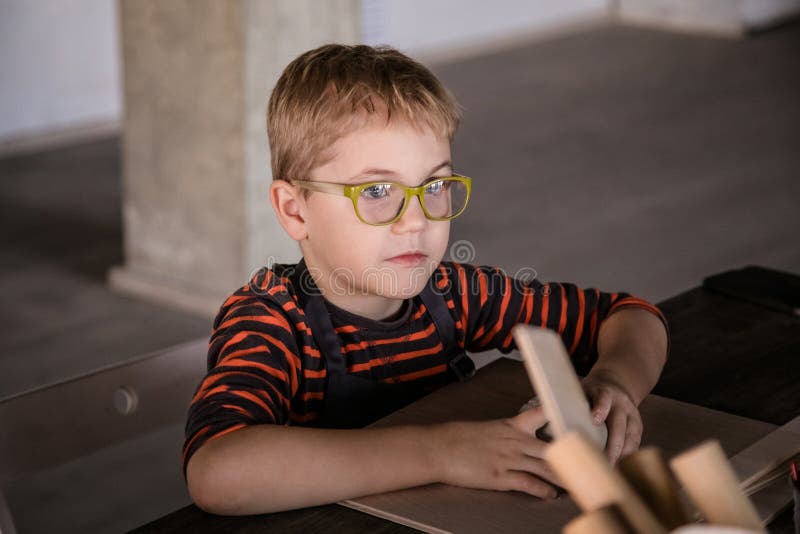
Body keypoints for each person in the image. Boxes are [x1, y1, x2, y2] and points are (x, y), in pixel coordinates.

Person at [183, 44, 668, 515]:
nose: (416, 219)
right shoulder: (270, 320)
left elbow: (628, 315)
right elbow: (217, 471)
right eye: (376, 190)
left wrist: (615, 382)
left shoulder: (456, 294)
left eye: (434, 186)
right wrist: (441, 452)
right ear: (295, 210)